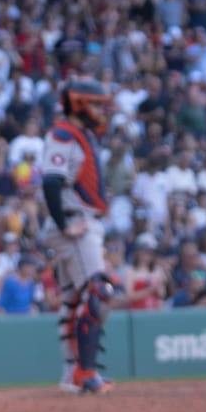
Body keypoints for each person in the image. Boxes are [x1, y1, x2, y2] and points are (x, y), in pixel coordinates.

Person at [40, 79, 118, 395]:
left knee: (74, 298)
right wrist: (63, 224)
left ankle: (71, 372)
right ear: (79, 103)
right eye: (96, 104)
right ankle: (85, 373)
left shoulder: (84, 135)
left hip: (83, 220)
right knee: (99, 290)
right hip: (74, 223)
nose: (101, 110)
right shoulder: (62, 134)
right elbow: (50, 182)